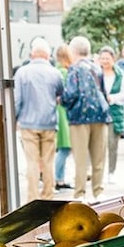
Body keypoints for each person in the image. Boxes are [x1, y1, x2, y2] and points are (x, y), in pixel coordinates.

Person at [61, 36, 110, 200]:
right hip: (100, 116)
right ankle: (99, 191)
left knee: (81, 159)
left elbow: (71, 93)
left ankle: (80, 193)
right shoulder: (97, 68)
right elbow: (103, 92)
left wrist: (62, 100)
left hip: (79, 118)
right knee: (98, 158)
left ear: (73, 51)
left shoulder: (74, 69)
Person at [13, 38, 62, 201]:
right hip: (49, 122)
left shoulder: (22, 72)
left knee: (32, 162)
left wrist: (14, 120)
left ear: (31, 54)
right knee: (48, 162)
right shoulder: (55, 72)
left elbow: (17, 100)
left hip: (28, 123)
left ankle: (33, 197)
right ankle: (48, 195)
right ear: (48, 55)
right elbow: (60, 94)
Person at [97, 46, 124, 175]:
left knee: (112, 144)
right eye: (102, 58)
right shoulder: (96, 74)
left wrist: (113, 98)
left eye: (107, 58)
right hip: (99, 113)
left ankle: (111, 171)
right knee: (98, 145)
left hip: (115, 112)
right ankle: (98, 172)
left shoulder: (120, 75)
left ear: (113, 59)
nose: (105, 61)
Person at [53, 44, 73, 191]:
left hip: (59, 111)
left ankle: (60, 178)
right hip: (64, 112)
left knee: (63, 147)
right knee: (65, 147)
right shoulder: (65, 72)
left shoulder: (57, 70)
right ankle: (58, 179)